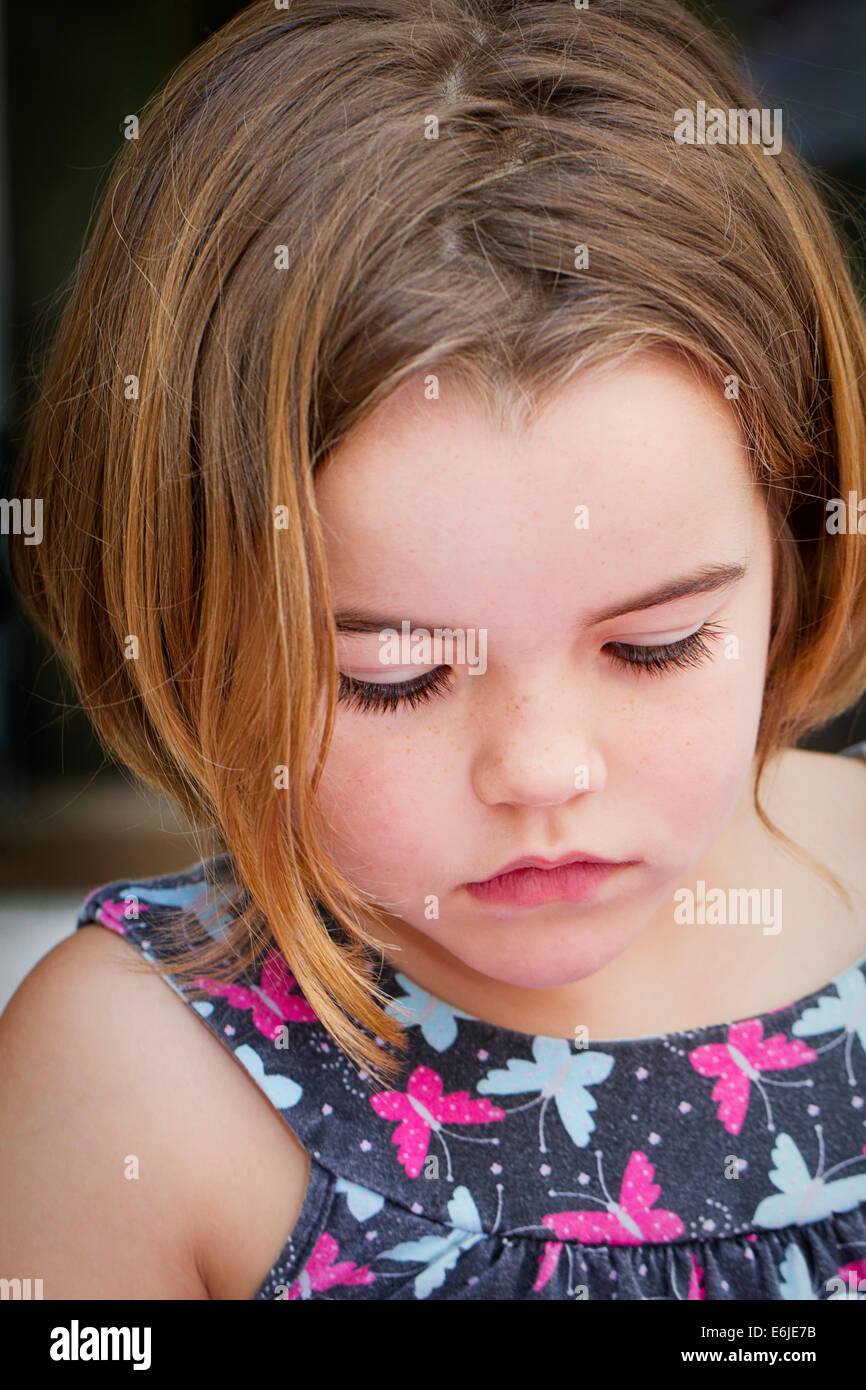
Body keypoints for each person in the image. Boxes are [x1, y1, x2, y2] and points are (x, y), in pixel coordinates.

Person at [3, 0, 866, 1301]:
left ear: (798, 543)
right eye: (390, 675)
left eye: (654, 644)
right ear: (189, 617)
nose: (541, 769)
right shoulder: (131, 1081)